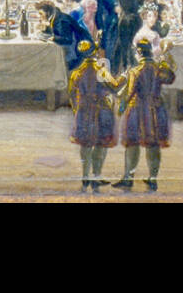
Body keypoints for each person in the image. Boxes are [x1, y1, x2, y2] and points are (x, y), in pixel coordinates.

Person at [113, 39, 175, 192]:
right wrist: (166, 63)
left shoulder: (135, 71)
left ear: (139, 52)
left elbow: (130, 92)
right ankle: (153, 179)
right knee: (153, 145)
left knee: (132, 144)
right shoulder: (158, 68)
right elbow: (171, 78)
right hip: (155, 109)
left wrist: (121, 106)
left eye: (136, 51)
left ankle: (128, 178)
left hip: (137, 109)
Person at [69, 39, 121, 191]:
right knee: (100, 143)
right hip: (102, 110)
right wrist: (124, 76)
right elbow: (115, 86)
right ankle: (96, 176)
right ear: (94, 52)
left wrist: (76, 109)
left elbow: (72, 94)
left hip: (84, 111)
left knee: (85, 143)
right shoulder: (102, 70)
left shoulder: (76, 73)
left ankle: (85, 177)